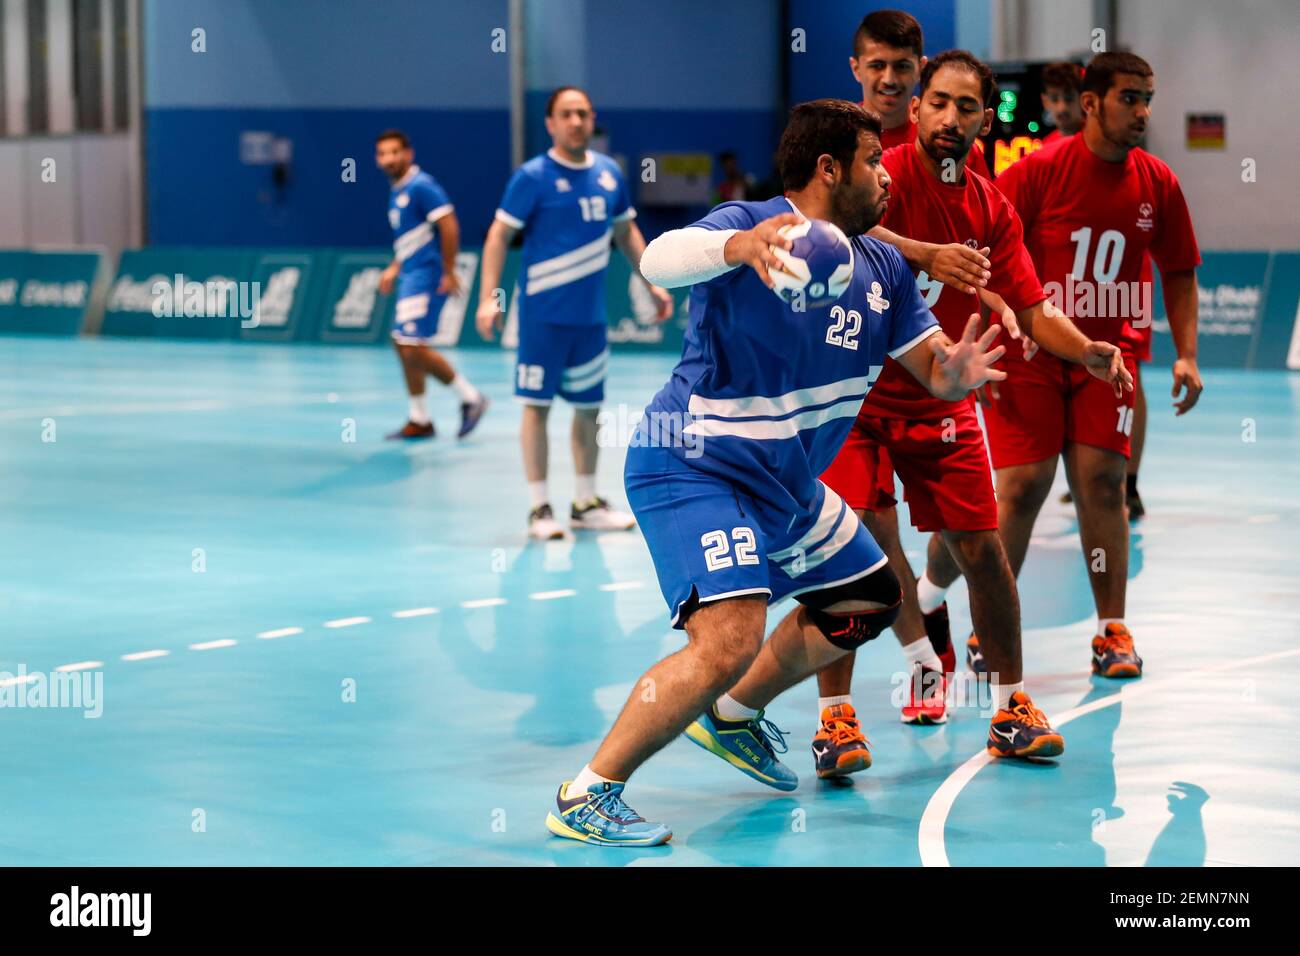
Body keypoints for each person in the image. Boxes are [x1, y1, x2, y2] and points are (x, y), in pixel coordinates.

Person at [544, 99, 1036, 847]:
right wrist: (739, 247)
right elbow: (656, 259)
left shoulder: (883, 269)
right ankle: (588, 793)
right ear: (828, 168)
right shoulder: (752, 223)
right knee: (729, 637)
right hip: (695, 464)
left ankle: (735, 716)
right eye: (873, 162)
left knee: (868, 599)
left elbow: (931, 364)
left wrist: (954, 374)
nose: (886, 178)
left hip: (784, 486)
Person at [810, 52, 1130, 771]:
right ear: (917, 109)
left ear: (985, 121)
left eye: (967, 108)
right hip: (854, 395)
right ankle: (836, 719)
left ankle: (1010, 706)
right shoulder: (877, 172)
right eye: (940, 103)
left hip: (939, 394)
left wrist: (1084, 351)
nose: (951, 119)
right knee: (847, 549)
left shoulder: (990, 207)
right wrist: (925, 253)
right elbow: (835, 226)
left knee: (982, 550)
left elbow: (1033, 307)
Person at [974, 52, 1203, 679]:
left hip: (1111, 358)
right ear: (1092, 102)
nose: (1143, 112)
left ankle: (1112, 630)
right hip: (1034, 353)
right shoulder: (1036, 172)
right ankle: (989, 627)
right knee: (1021, 488)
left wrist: (1186, 354)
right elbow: (984, 249)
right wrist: (995, 331)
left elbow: (1179, 269)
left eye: (1148, 98)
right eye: (1131, 98)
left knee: (1103, 483)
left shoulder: (1158, 181)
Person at [475, 87, 673, 539]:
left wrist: (652, 283)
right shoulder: (532, 176)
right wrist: (490, 296)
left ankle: (585, 503)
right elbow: (496, 237)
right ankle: (539, 508)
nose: (576, 122)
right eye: (566, 115)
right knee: (536, 408)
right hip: (542, 319)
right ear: (550, 123)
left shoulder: (608, 175)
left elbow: (626, 234)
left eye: (583, 113)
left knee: (588, 409)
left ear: (592, 119)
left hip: (589, 320)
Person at [375, 130, 488, 440]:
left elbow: (448, 225)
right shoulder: (397, 191)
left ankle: (470, 397)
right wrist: (394, 267)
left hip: (426, 276)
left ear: (408, 154)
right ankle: (420, 418)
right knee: (403, 345)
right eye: (383, 153)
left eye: (394, 152)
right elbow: (412, 239)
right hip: (410, 274)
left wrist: (449, 271)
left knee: (410, 344)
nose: (389, 159)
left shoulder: (421, 186)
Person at [1041, 61, 1085, 142]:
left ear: (1083, 99)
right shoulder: (1047, 144)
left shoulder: (1097, 141)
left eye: (1069, 99)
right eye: (1054, 99)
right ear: (1045, 101)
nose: (1062, 108)